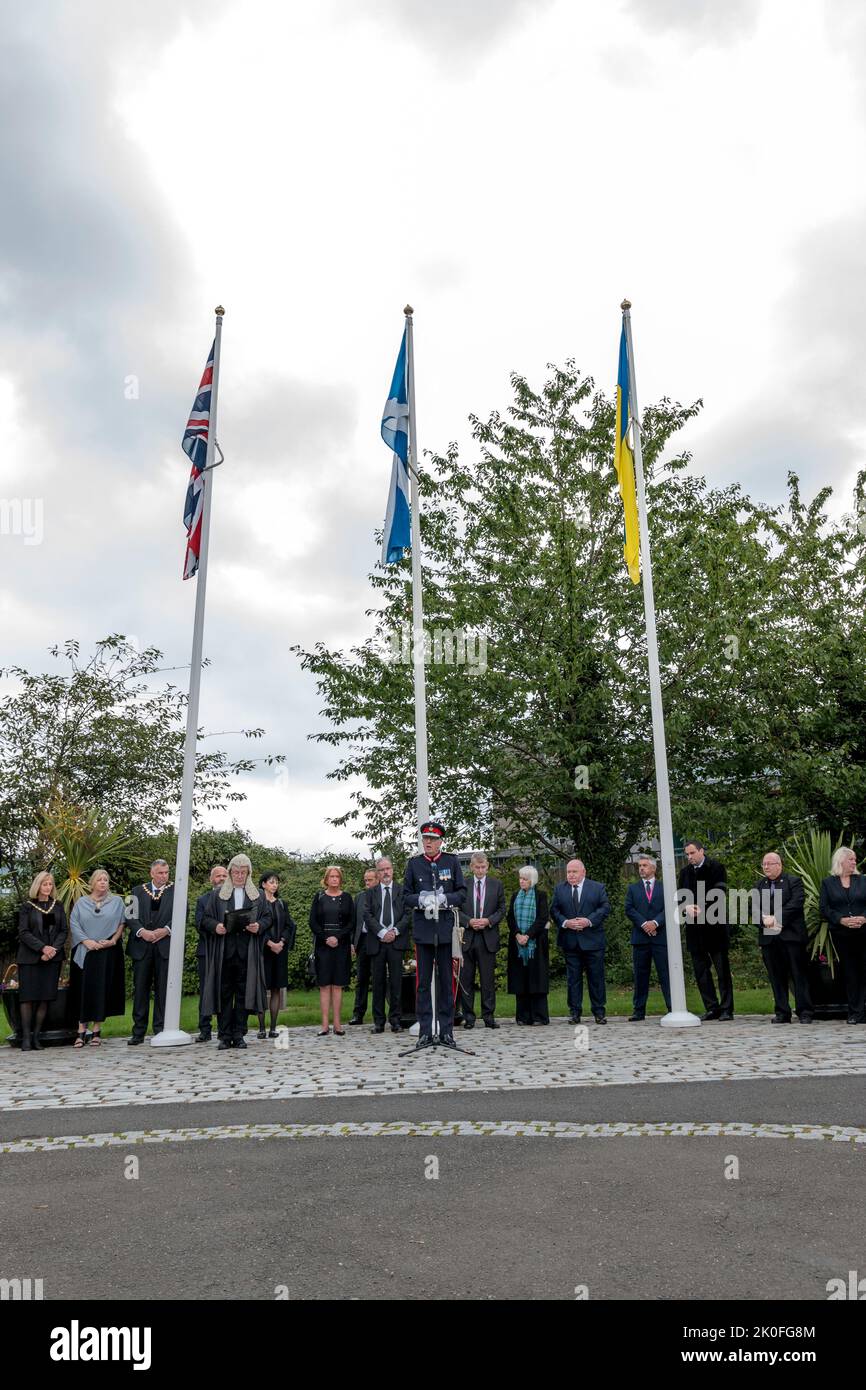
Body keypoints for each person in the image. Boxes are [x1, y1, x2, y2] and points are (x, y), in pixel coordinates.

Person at [403, 820, 466, 1048]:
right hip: (424, 931)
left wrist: (444, 899)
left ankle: (447, 1031)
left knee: (446, 981)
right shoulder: (414, 864)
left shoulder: (451, 861)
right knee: (422, 984)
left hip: (444, 931)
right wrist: (421, 899)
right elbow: (405, 896)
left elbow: (462, 892)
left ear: (440, 841)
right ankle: (425, 1031)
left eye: (432, 839)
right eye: (425, 839)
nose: (427, 842)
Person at [200, 853, 269, 1051]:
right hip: (224, 951)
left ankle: (239, 1034)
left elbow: (267, 918)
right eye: (236, 872)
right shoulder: (217, 895)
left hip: (247, 951)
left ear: (249, 873)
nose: (239, 876)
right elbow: (205, 919)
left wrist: (259, 926)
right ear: (230, 872)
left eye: (243, 872)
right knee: (223, 994)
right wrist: (216, 927)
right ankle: (224, 1035)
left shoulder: (257, 895)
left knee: (243, 994)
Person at [754, 852, 813, 1024]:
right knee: (776, 976)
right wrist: (764, 920)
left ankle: (805, 1011)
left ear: (779, 865)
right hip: (769, 938)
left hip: (791, 937)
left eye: (769, 864)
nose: (766, 867)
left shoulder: (793, 882)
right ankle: (782, 1012)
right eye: (764, 864)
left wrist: (776, 918)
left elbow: (795, 904)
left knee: (798, 975)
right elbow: (754, 908)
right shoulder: (759, 885)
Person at [69, 869, 126, 1048]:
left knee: (101, 990)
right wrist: (86, 941)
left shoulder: (117, 902)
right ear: (92, 883)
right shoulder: (81, 903)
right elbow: (74, 922)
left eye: (106, 880)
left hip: (106, 951)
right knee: (83, 990)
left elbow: (122, 923)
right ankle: (80, 1031)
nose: (103, 882)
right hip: (85, 951)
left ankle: (96, 1031)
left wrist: (113, 941)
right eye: (99, 880)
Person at [551, 859, 610, 1024]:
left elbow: (604, 908)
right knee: (573, 979)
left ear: (583, 872)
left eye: (574, 872)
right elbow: (554, 910)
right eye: (568, 872)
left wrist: (588, 921)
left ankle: (599, 1012)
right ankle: (574, 1012)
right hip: (570, 941)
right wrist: (566, 922)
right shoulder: (559, 889)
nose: (570, 875)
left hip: (593, 940)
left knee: (596, 978)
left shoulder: (597, 888)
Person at [678, 839, 732, 1020]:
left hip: (714, 927)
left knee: (722, 971)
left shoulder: (716, 867)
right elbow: (680, 896)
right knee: (701, 972)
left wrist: (701, 905)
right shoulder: (684, 873)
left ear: (701, 851)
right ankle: (712, 1007)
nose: (689, 857)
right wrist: (686, 907)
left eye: (692, 853)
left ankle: (726, 1009)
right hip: (694, 930)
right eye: (687, 854)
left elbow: (720, 891)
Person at [125, 858, 174, 1046]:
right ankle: (138, 1031)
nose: (164, 876)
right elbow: (129, 917)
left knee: (163, 989)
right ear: (152, 873)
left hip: (164, 947)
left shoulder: (175, 892)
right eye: (160, 873)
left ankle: (160, 1029)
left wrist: (166, 930)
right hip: (142, 948)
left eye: (166, 872)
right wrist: (142, 932)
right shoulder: (136, 891)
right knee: (141, 990)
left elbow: (181, 914)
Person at [17, 871, 68, 1051]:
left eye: (50, 884)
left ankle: (37, 1037)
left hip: (52, 959)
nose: (47, 887)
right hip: (31, 959)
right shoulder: (28, 907)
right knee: (28, 998)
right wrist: (42, 948)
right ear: (37, 886)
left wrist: (52, 949)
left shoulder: (58, 906)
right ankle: (25, 1038)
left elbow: (63, 931)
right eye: (44, 884)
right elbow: (23, 932)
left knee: (45, 998)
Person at [458, 852, 506, 1029]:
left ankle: (488, 1016)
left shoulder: (496, 884)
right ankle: (469, 1017)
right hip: (467, 937)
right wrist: (469, 921)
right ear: (471, 867)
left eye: (483, 867)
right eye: (476, 867)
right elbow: (456, 908)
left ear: (488, 867)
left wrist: (489, 921)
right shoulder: (463, 884)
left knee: (487, 980)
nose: (480, 870)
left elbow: (502, 909)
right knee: (466, 979)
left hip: (488, 936)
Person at [819, 846, 866, 1025]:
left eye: (855, 859)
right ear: (841, 861)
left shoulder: (863, 880)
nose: (854, 862)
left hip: (863, 932)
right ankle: (855, 1012)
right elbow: (824, 909)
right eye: (851, 859)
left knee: (864, 969)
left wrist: (863, 918)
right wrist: (842, 920)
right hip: (842, 934)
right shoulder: (828, 883)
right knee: (850, 972)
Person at [364, 856, 410, 1033]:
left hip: (396, 941)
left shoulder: (402, 891)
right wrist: (382, 932)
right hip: (377, 942)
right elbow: (367, 915)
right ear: (378, 872)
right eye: (382, 870)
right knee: (378, 983)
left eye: (388, 869)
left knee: (396, 982)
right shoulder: (370, 893)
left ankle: (396, 1020)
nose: (385, 872)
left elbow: (408, 915)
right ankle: (378, 1022)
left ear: (392, 870)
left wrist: (394, 932)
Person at [624, 854, 672, 1021]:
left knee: (665, 974)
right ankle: (639, 1010)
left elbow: (670, 907)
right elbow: (629, 909)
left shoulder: (664, 887)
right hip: (640, 938)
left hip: (660, 937)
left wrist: (655, 923)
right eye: (639, 866)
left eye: (644, 865)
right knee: (640, 975)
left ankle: (672, 1007)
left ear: (653, 868)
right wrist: (645, 924)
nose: (641, 868)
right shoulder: (633, 888)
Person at [310, 866, 355, 1035]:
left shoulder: (347, 897)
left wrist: (338, 937)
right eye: (331, 876)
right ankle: (324, 1025)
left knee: (337, 985)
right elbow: (313, 922)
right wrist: (325, 938)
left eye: (337, 876)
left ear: (340, 879)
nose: (334, 879)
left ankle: (337, 1024)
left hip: (341, 946)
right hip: (323, 946)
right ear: (326, 879)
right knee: (324, 985)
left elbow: (352, 922)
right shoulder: (319, 897)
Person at [256, 871, 297, 1037]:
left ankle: (273, 1027)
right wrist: (269, 943)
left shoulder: (281, 903)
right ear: (263, 884)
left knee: (276, 989)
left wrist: (281, 942)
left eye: (276, 882)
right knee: (261, 988)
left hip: (280, 951)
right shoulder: (257, 904)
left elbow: (289, 925)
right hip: (263, 951)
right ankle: (261, 1028)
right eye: (271, 882)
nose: (274, 885)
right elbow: (256, 926)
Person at [506, 866, 550, 1025]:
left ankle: (539, 1016)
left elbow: (542, 918)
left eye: (524, 879)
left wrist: (528, 935)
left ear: (532, 880)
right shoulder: (514, 896)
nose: (521, 881)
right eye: (520, 878)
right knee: (521, 980)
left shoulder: (541, 896)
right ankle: (523, 1017)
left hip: (535, 944)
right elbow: (510, 918)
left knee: (536, 980)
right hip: (518, 945)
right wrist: (518, 934)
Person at [194, 866, 227, 1042]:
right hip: (207, 950)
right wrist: (215, 928)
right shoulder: (203, 900)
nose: (221, 878)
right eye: (218, 876)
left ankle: (224, 1029)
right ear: (211, 879)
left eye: (224, 875)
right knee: (206, 990)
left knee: (225, 990)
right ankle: (204, 1029)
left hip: (228, 951)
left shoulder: (234, 899)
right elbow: (199, 923)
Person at [349, 868, 379, 1025]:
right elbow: (354, 922)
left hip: (378, 941)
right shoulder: (359, 897)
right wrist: (352, 942)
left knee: (378, 979)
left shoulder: (382, 895)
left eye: (370, 880)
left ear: (378, 879)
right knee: (361, 979)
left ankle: (378, 1015)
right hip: (362, 941)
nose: (367, 883)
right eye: (365, 880)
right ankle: (358, 1014)